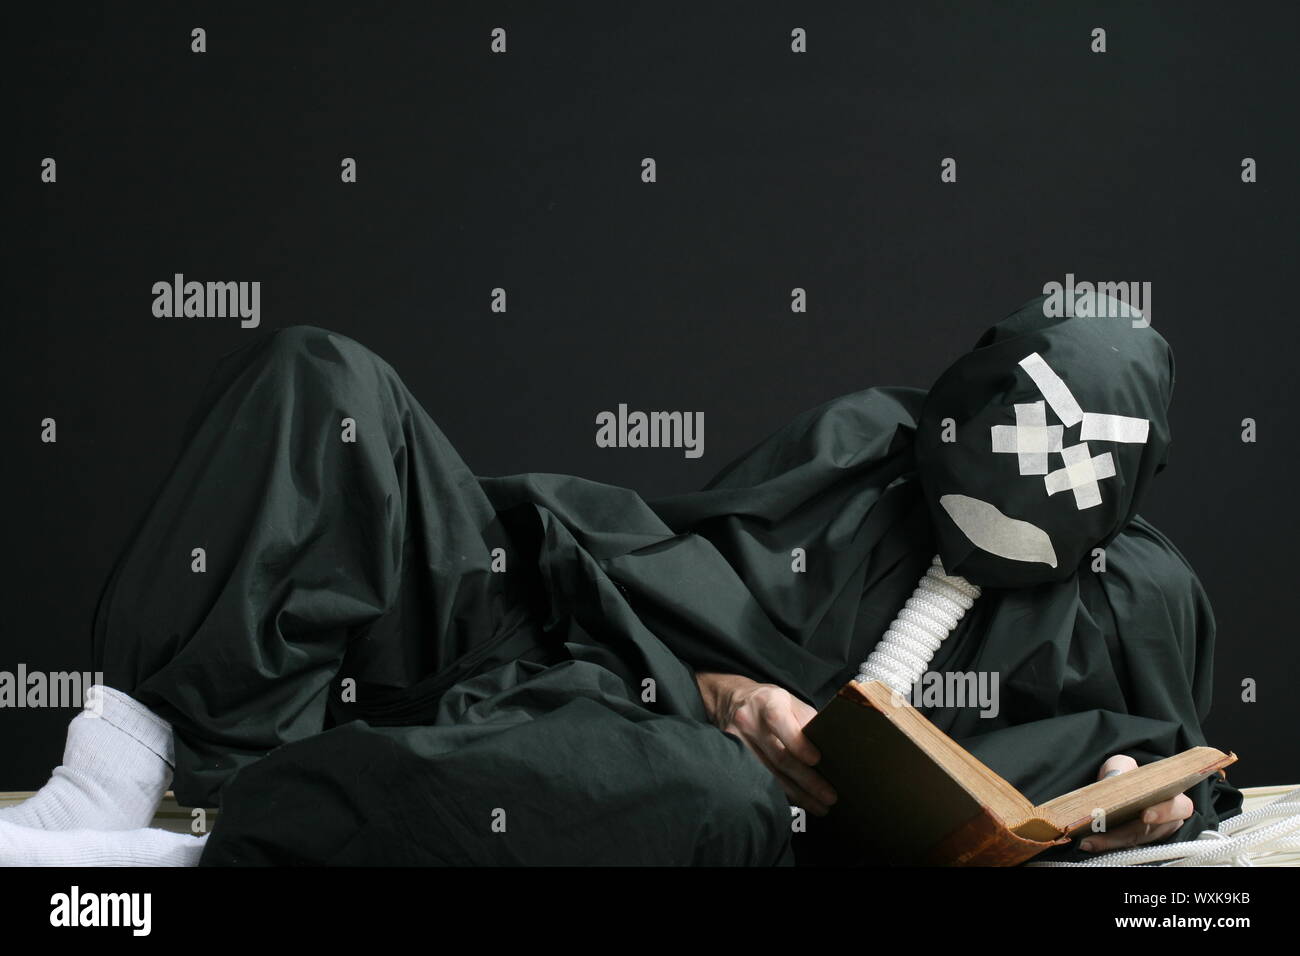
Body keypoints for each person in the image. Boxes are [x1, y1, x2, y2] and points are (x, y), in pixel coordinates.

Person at [0, 295, 1241, 865]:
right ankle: (105, 787)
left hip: (647, 754)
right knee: (323, 380)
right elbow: (674, 556)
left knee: (689, 793)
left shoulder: (1133, 597)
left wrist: (1134, 799)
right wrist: (724, 687)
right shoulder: (871, 441)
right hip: (547, 620)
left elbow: (1150, 768)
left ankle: (243, 839)